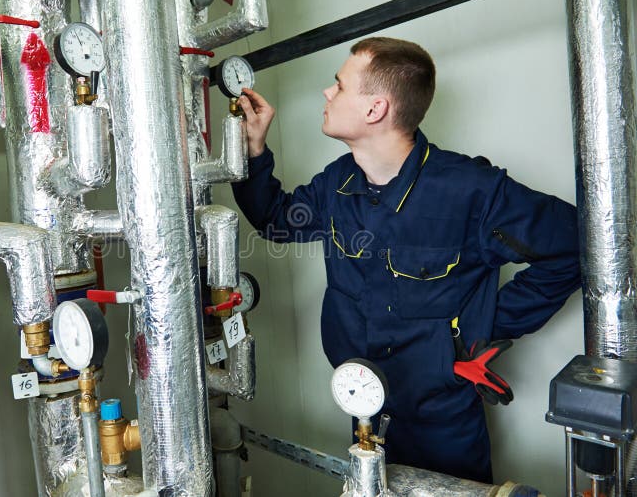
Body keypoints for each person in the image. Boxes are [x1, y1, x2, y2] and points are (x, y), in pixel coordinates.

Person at [231, 37, 580, 483]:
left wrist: (479, 329)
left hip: (442, 426)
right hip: (365, 412)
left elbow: (572, 249)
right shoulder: (338, 183)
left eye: (339, 86)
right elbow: (277, 222)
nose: (327, 93)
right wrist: (255, 150)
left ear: (375, 109)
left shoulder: (470, 191)